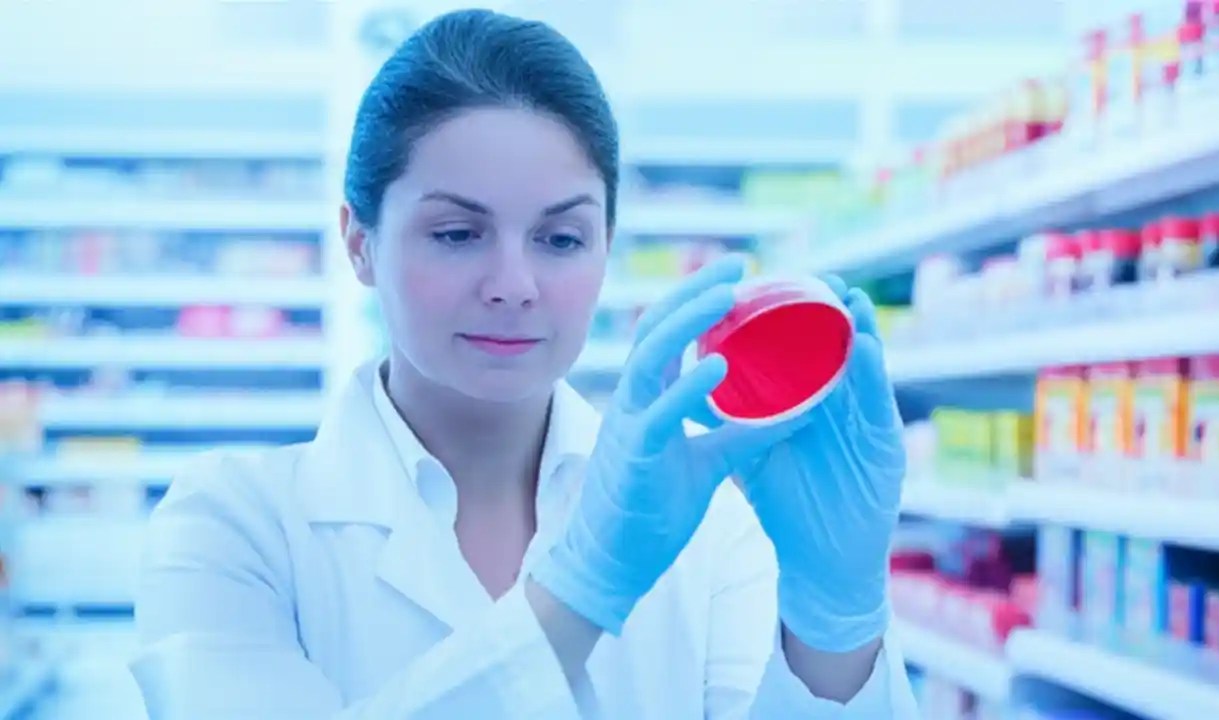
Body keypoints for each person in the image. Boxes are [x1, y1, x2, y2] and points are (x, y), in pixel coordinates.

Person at [129, 9, 918, 719]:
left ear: (607, 244)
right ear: (359, 241)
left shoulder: (710, 533)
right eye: (456, 233)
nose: (513, 286)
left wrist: (834, 625)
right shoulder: (233, 525)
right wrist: (584, 586)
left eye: (561, 238)